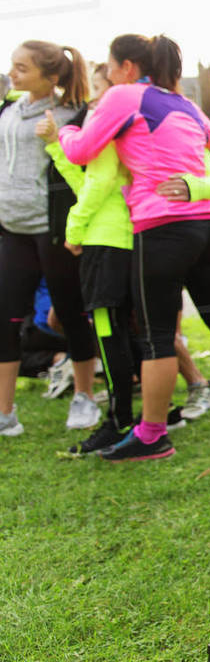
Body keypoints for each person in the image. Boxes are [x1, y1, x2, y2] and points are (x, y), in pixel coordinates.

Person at [54, 33, 210, 460]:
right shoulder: (183, 102)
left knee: (156, 335)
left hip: (161, 226)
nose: (108, 78)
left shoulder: (124, 95)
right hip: (206, 224)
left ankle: (151, 436)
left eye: (110, 68)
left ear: (128, 67)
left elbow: (81, 151)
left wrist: (66, 130)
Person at [0, 40, 100, 439]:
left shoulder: (72, 114)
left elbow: (82, 171)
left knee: (70, 313)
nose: (13, 73)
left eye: (22, 68)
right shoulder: (7, 111)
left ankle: (85, 397)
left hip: (52, 231)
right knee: (7, 320)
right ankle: (5, 412)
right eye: (13, 66)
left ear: (51, 76)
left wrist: (55, 138)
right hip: (13, 230)